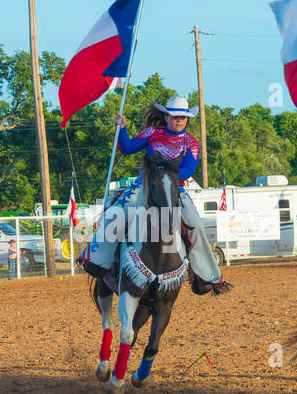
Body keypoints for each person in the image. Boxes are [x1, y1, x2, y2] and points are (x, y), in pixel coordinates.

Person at [81, 96, 228, 295]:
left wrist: (164, 174)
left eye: (182, 118)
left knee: (197, 224)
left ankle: (205, 276)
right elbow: (127, 147)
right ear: (166, 116)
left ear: (187, 120)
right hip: (143, 185)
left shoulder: (191, 143)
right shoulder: (152, 133)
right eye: (174, 116)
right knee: (115, 213)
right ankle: (98, 260)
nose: (178, 120)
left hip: (175, 188)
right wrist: (122, 128)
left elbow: (188, 170)